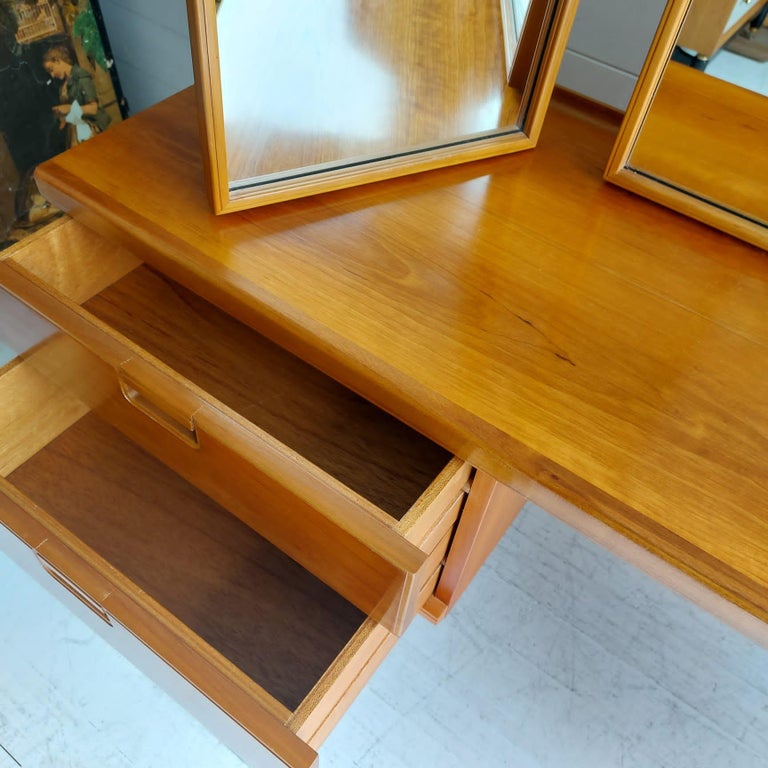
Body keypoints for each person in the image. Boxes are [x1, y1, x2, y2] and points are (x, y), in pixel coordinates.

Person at [42, 44, 109, 146]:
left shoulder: (80, 76)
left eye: (52, 69)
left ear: (58, 60)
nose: (52, 75)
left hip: (88, 130)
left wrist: (69, 108)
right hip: (74, 130)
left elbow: (93, 108)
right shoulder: (64, 86)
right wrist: (62, 117)